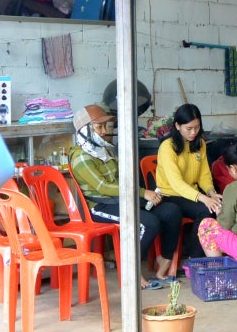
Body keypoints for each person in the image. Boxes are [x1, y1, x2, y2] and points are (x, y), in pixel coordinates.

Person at [69, 104, 183, 289]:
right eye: (99, 127)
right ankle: (131, 272)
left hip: (121, 199)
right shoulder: (81, 157)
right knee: (148, 222)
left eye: (105, 126)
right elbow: (104, 187)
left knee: (171, 210)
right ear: (85, 131)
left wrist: (143, 194)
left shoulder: (102, 150)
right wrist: (141, 193)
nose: (104, 131)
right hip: (100, 207)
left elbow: (122, 179)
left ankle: (164, 259)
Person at [155, 104, 222, 260]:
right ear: (178, 126)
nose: (193, 132)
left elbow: (204, 175)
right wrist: (205, 198)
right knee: (205, 210)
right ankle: (194, 258)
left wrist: (212, 193)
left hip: (190, 194)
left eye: (197, 127)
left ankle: (195, 256)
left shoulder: (200, 144)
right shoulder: (167, 147)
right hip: (169, 195)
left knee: (214, 208)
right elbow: (176, 184)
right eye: (189, 128)